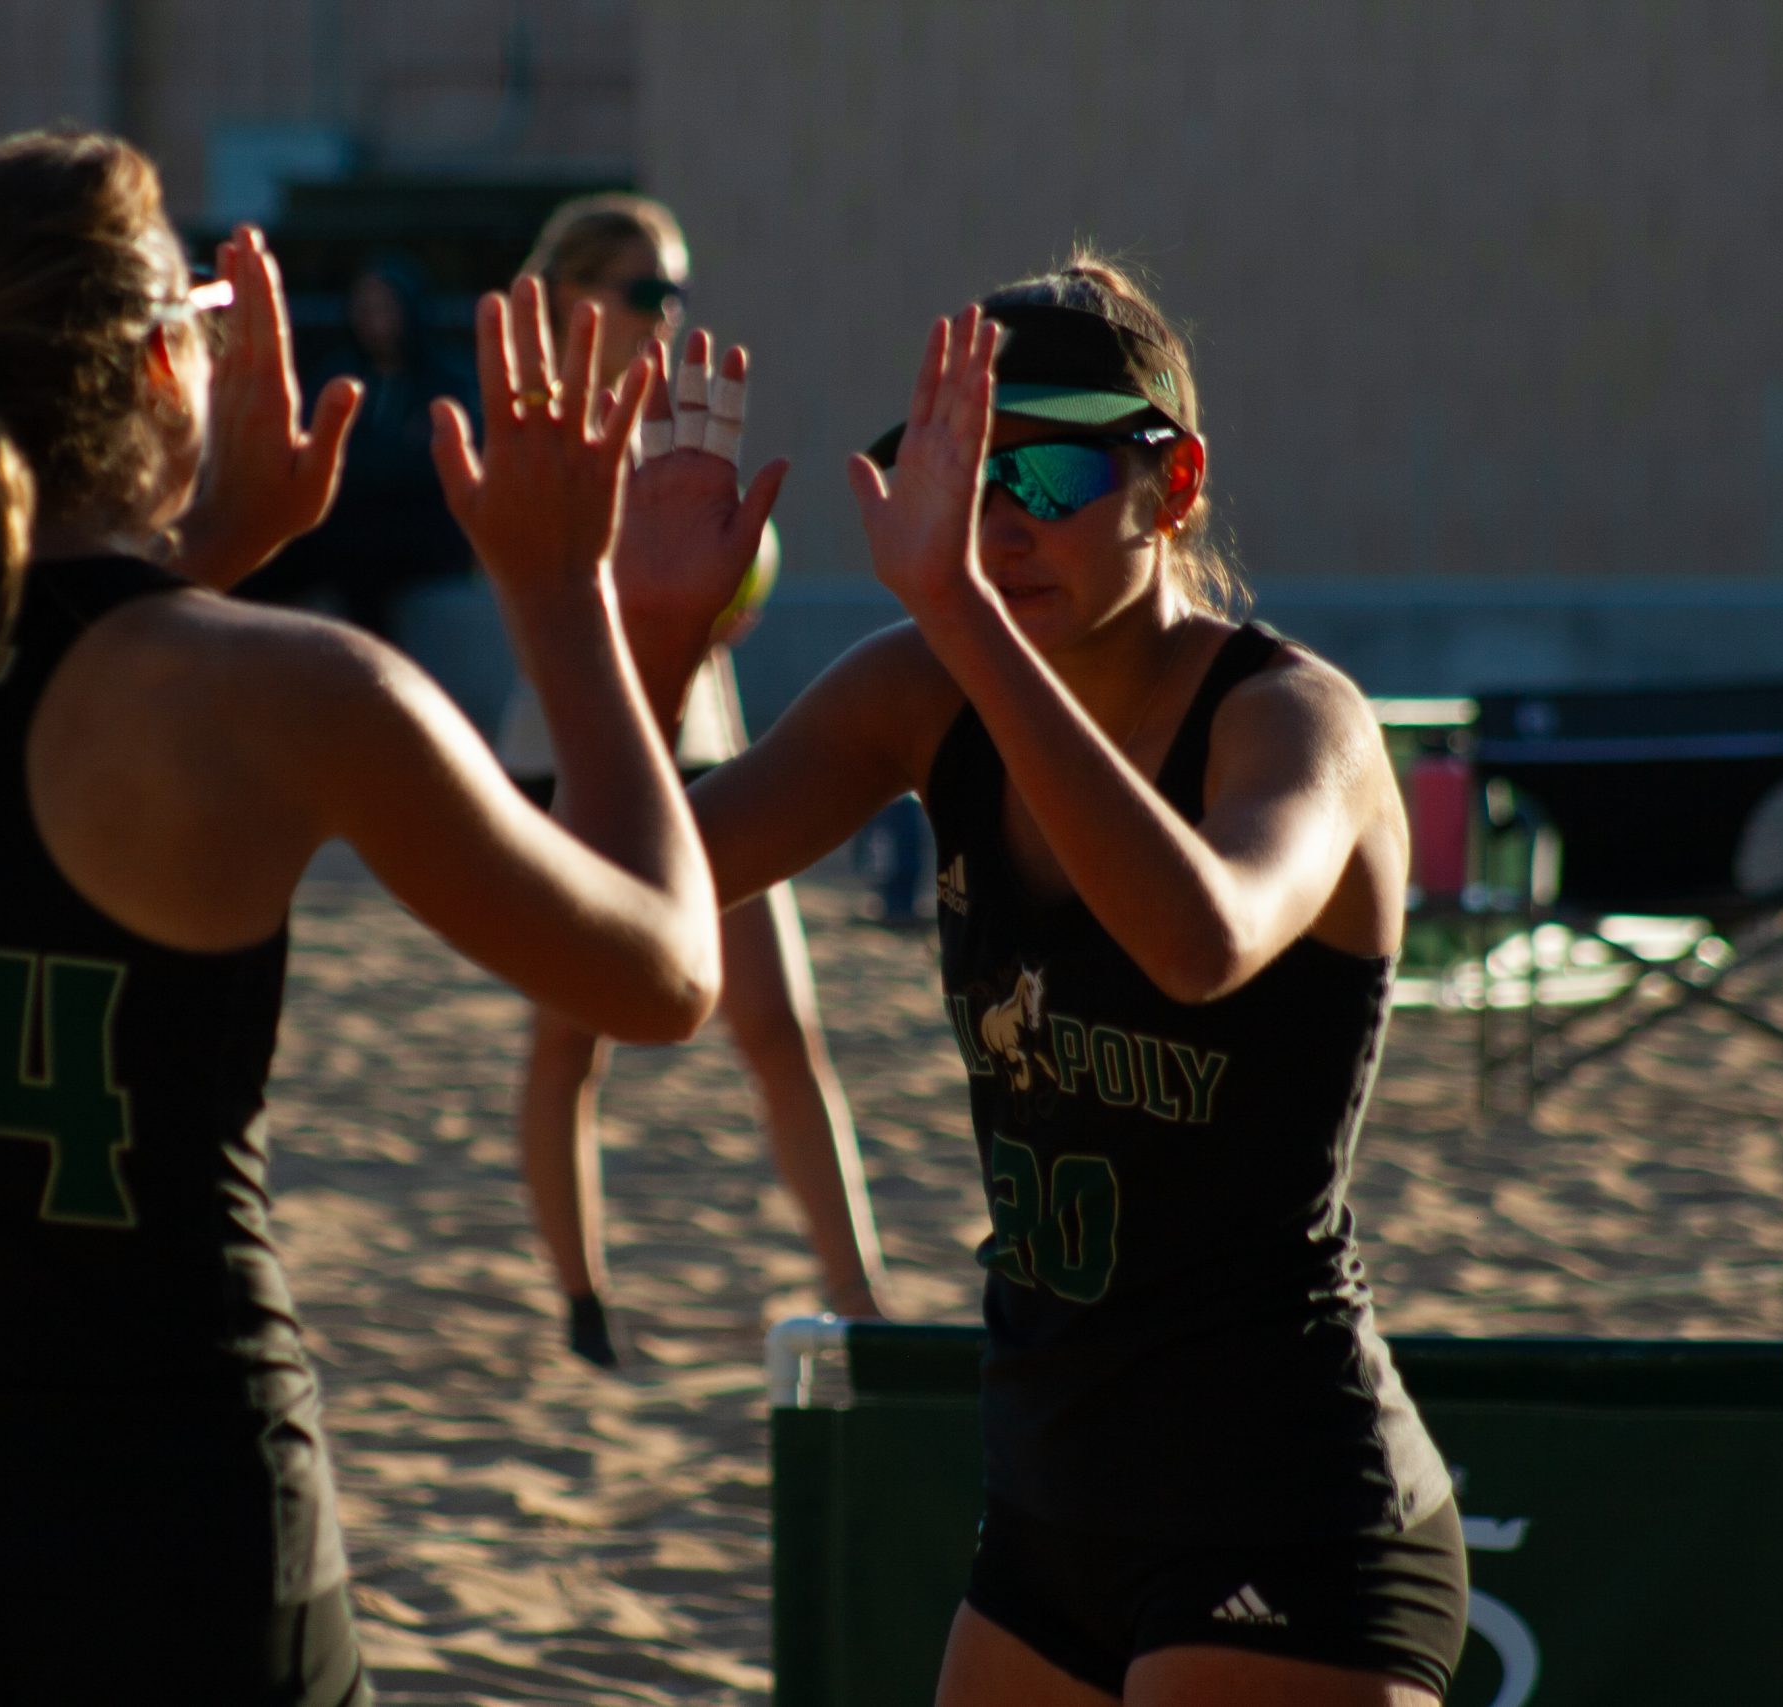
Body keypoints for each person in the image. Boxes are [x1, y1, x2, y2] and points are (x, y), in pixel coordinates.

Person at [0, 131, 723, 1705]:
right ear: (170, 361)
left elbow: (12, 667)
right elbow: (660, 970)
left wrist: (203, 548)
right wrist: (576, 601)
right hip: (165, 1529)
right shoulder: (286, 692)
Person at [616, 258, 1465, 1703]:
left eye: (1052, 470)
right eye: (958, 473)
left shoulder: (1292, 722)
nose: (999, 522)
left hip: (1288, 1508)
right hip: (1049, 1506)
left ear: (1174, 481)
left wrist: (963, 620)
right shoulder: (923, 686)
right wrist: (639, 633)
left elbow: (1198, 942)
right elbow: (623, 910)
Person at [496, 192, 890, 1364]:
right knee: (572, 1045)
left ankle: (861, 1307)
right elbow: (551, 612)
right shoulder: (546, 431)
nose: (667, 316)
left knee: (780, 1032)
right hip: (570, 756)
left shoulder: (684, 423)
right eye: (643, 292)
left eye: (678, 292)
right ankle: (583, 1308)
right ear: (575, 299)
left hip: (704, 745)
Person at [241, 251, 476, 641]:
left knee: (362, 558)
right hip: (346, 517)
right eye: (365, 307)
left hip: (419, 527)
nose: (374, 319)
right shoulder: (338, 375)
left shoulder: (445, 380)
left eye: (385, 306)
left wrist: (376, 460)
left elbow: (430, 462)